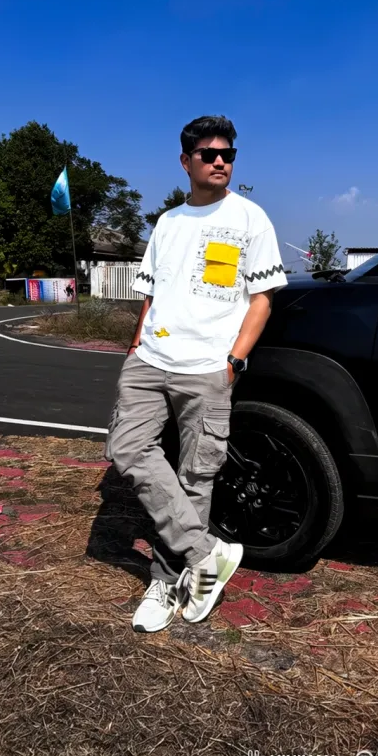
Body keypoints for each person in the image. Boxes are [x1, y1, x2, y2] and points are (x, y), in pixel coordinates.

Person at [105, 115, 288, 633]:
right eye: (208, 154)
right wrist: (137, 344)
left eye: (228, 153)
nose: (220, 161)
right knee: (128, 448)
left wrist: (232, 362)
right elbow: (152, 292)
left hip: (209, 367)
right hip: (151, 359)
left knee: (195, 479)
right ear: (185, 161)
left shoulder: (251, 219)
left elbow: (262, 300)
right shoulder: (168, 222)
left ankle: (169, 582)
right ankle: (206, 554)